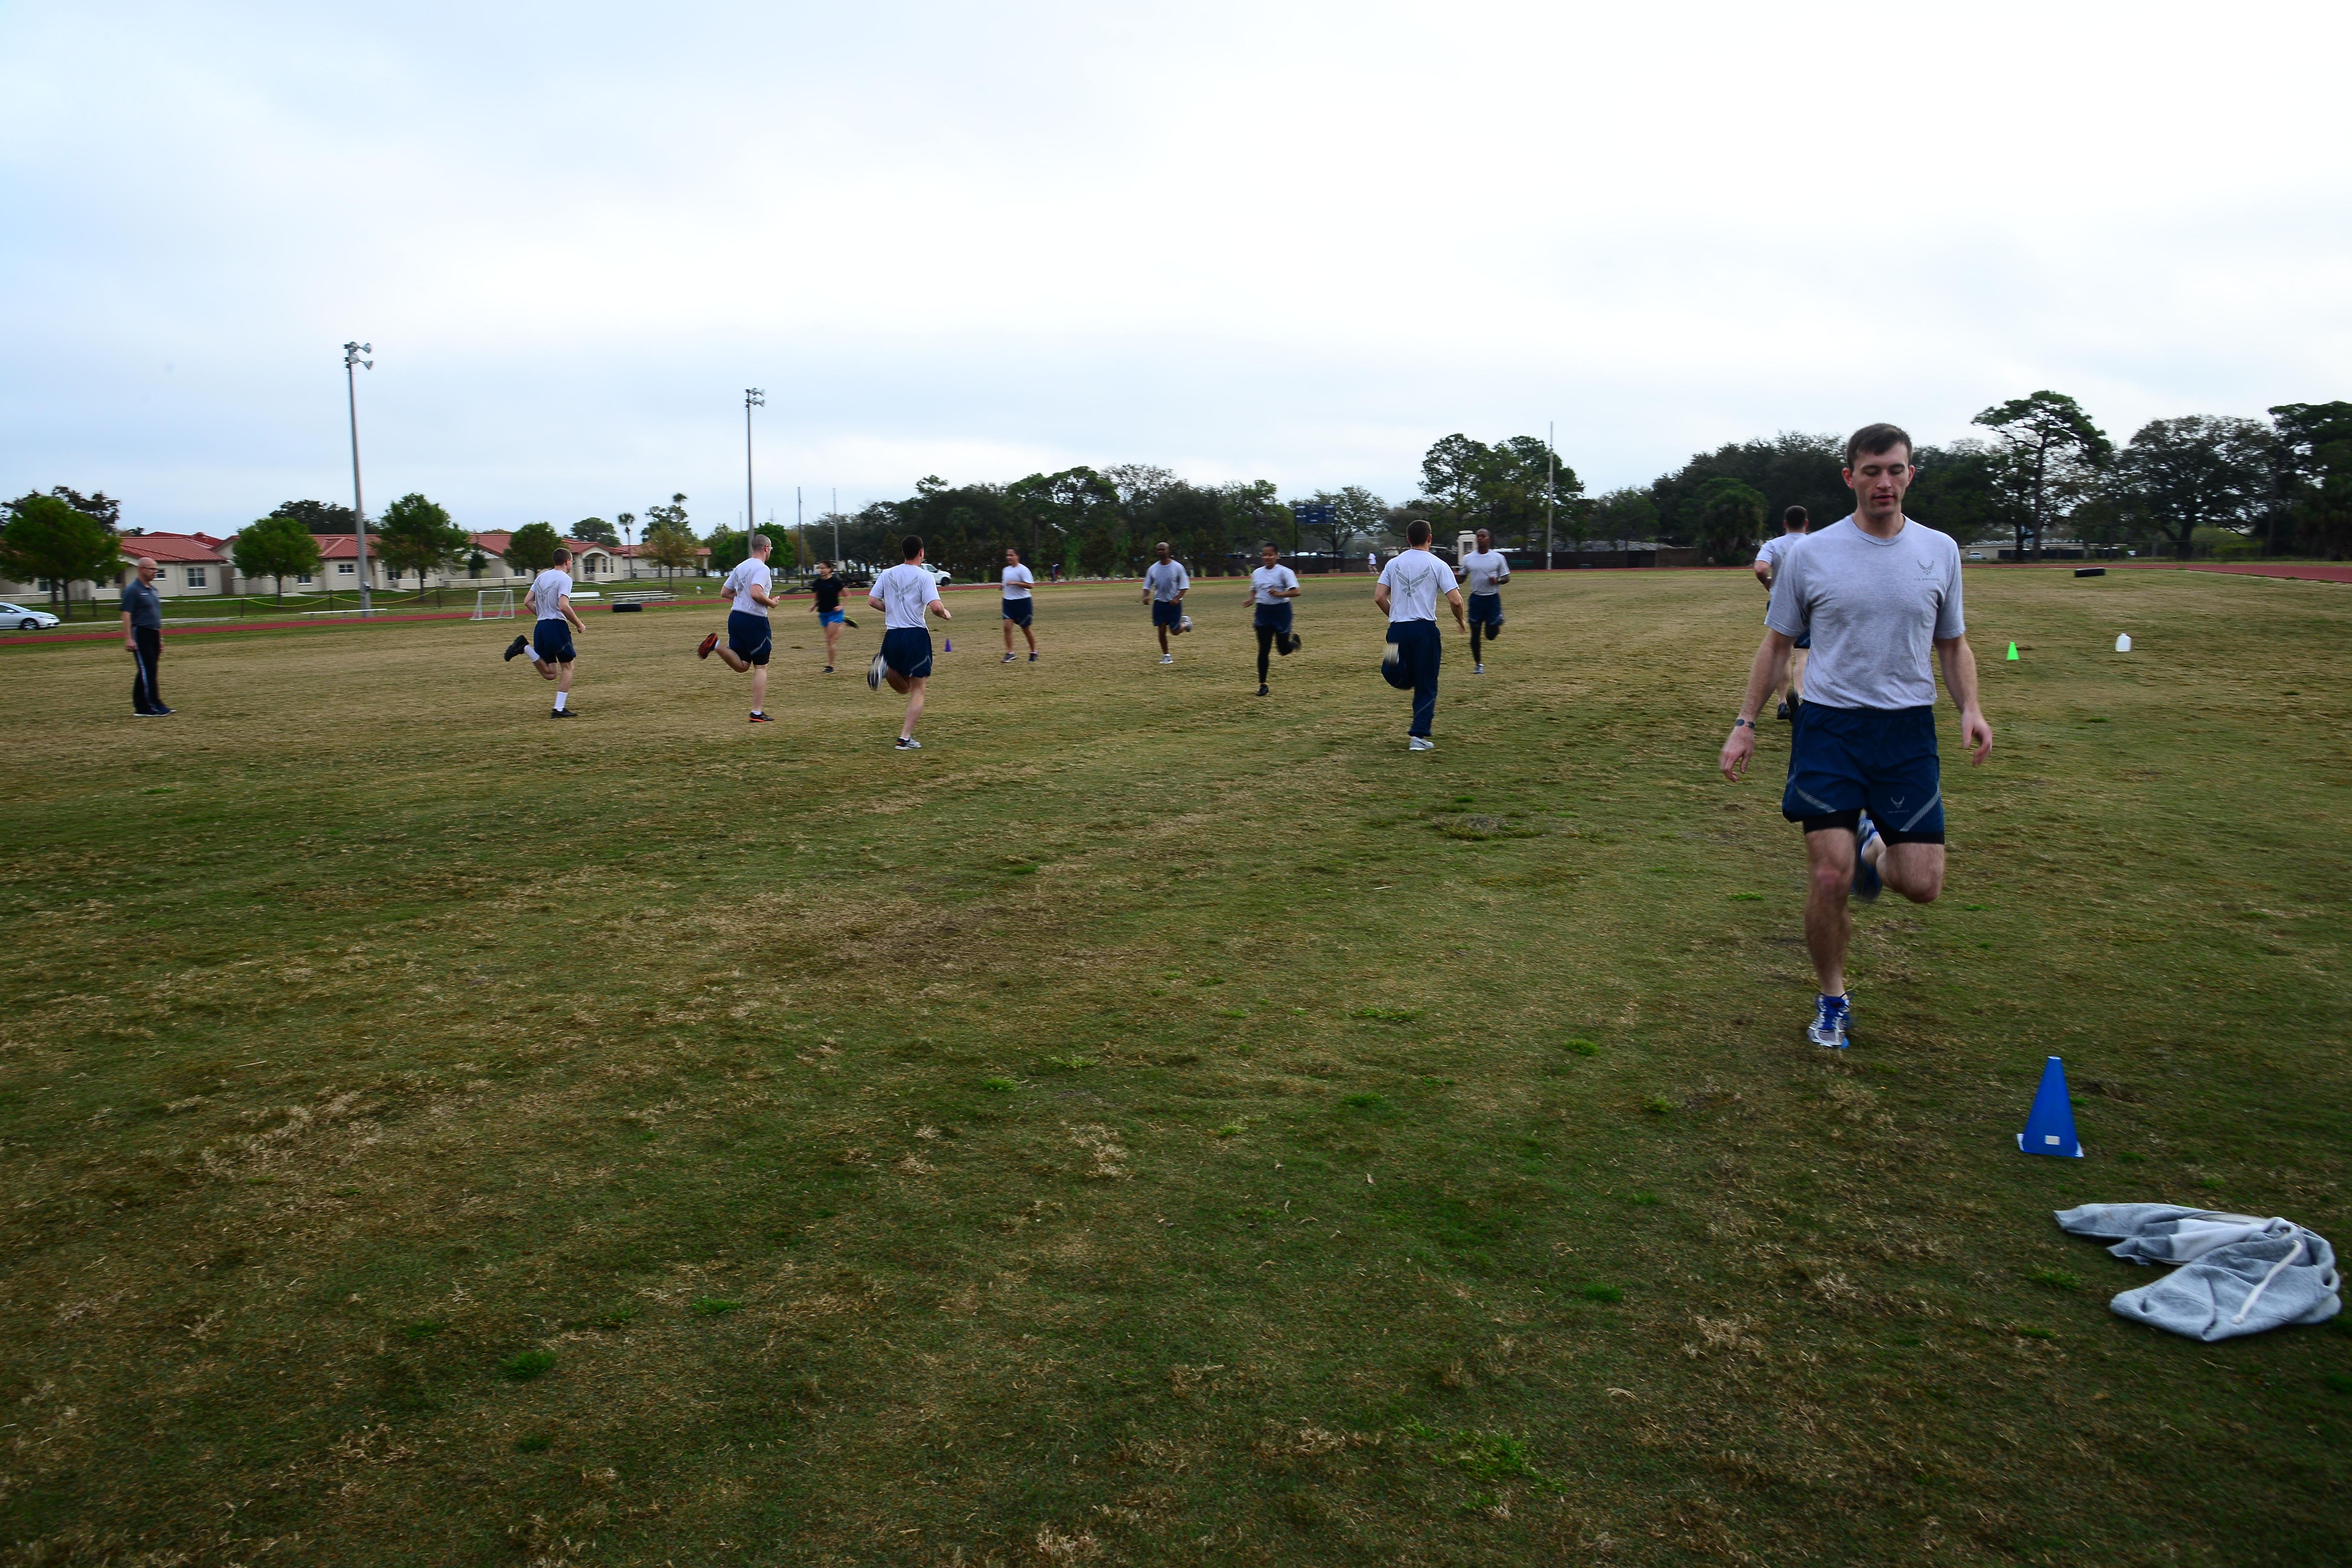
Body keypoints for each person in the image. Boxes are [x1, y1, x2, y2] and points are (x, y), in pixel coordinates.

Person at [1717, 424, 1993, 1051]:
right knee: (1828, 879)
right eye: (1871, 471)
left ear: (1910, 475)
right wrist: (1745, 724)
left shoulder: (1939, 550)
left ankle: (1875, 848)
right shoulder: (1810, 555)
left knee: (1922, 885)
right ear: (1850, 479)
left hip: (1906, 731)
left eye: (1895, 470)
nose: (1884, 482)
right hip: (1830, 727)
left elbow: (1952, 644)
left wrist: (1971, 707)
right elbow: (1777, 644)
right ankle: (1833, 997)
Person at [1374, 519, 1467, 751]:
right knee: (1427, 683)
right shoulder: (1439, 564)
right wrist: (1461, 620)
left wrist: (1394, 615)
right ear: (1430, 538)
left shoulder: (1393, 564)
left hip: (1395, 630)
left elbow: (1379, 597)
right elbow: (1455, 600)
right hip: (1424, 631)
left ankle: (1401, 678)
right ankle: (1418, 736)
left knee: (1390, 665)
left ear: (1407, 540)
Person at [866, 534, 952, 749]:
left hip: (893, 635)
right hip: (915, 636)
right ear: (921, 553)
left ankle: (884, 667)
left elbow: (872, 601)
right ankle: (905, 738)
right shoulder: (925, 577)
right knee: (918, 690)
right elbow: (935, 607)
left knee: (905, 688)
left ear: (904, 552)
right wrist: (945, 614)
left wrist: (892, 610)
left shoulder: (888, 574)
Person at [694, 533, 781, 721]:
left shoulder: (741, 566)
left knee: (743, 665)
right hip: (755, 621)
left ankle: (716, 645)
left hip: (736, 618)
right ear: (766, 548)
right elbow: (756, 593)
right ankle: (757, 713)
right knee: (761, 667)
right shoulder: (762, 569)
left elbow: (725, 592)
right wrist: (771, 603)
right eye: (771, 549)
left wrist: (742, 599)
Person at [502, 547, 587, 716]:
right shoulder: (565, 579)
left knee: (551, 673)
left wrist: (542, 614)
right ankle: (559, 709)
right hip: (556, 627)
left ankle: (525, 647)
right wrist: (579, 624)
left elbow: (527, 601)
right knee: (568, 667)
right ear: (568, 562)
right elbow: (564, 606)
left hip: (541, 627)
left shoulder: (541, 577)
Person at [1752, 505, 1812, 720]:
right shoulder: (1814, 544)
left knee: (1782, 654)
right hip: (1807, 604)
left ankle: (1782, 703)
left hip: (1780, 603)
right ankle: (1801, 697)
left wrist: (1767, 582)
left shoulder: (1773, 545)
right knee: (1803, 654)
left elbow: (1760, 568)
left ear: (1785, 524)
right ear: (1806, 523)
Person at [1244, 541, 1302, 696]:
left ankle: (1294, 644)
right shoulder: (1257, 573)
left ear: (1277, 556)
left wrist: (1280, 594)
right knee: (1264, 650)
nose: (1266, 557)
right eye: (1264, 555)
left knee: (1283, 650)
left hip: (1281, 612)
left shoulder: (1285, 572)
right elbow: (1254, 590)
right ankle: (1263, 685)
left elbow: (1297, 592)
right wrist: (1251, 600)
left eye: (1270, 555)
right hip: (1263, 612)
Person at [121, 556, 170, 716]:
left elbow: (156, 615)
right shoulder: (133, 590)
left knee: (148, 670)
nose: (155, 572)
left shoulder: (153, 590)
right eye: (152, 569)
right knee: (148, 669)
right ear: (142, 569)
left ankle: (142, 706)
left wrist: (160, 637)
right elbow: (126, 614)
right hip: (140, 632)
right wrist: (129, 638)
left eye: (156, 569)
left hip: (153, 633)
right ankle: (153, 704)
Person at [1458, 527, 1510, 674]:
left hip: (1492, 600)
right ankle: (1479, 664)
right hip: (1476, 600)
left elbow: (1507, 578)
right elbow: (1462, 578)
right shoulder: (1468, 559)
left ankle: (1498, 619)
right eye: (1478, 536)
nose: (1480, 538)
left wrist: (1498, 580)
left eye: (1483, 536)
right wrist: (1450, 575)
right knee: (1475, 633)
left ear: (1489, 539)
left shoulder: (1498, 558)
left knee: (1491, 635)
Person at [1141, 542, 1190, 663]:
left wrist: (1177, 598)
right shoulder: (1153, 569)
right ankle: (1166, 656)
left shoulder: (1177, 567)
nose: (1160, 552)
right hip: (1159, 603)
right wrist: (1146, 597)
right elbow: (1147, 585)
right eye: (1159, 550)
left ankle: (1186, 625)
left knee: (1175, 631)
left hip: (1174, 604)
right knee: (1161, 629)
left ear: (1168, 551)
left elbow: (1185, 585)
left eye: (1163, 549)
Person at [808, 560, 849, 672]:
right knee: (832, 640)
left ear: (830, 569)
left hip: (835, 613)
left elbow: (848, 596)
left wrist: (841, 606)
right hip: (823, 614)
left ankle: (830, 666)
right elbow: (817, 598)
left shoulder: (835, 582)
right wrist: (813, 606)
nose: (822, 570)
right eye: (820, 568)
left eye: (824, 568)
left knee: (830, 641)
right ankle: (845, 624)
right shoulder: (818, 583)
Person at [1000, 547, 1039, 662]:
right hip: (1008, 602)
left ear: (1018, 556)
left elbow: (1031, 586)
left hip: (1022, 602)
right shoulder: (1006, 570)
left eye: (1011, 555)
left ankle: (1033, 651)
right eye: (1007, 555)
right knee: (1007, 627)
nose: (1009, 557)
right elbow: (1007, 584)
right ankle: (1010, 653)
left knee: (1026, 629)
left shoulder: (1023, 570)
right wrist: (1003, 586)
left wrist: (1016, 583)